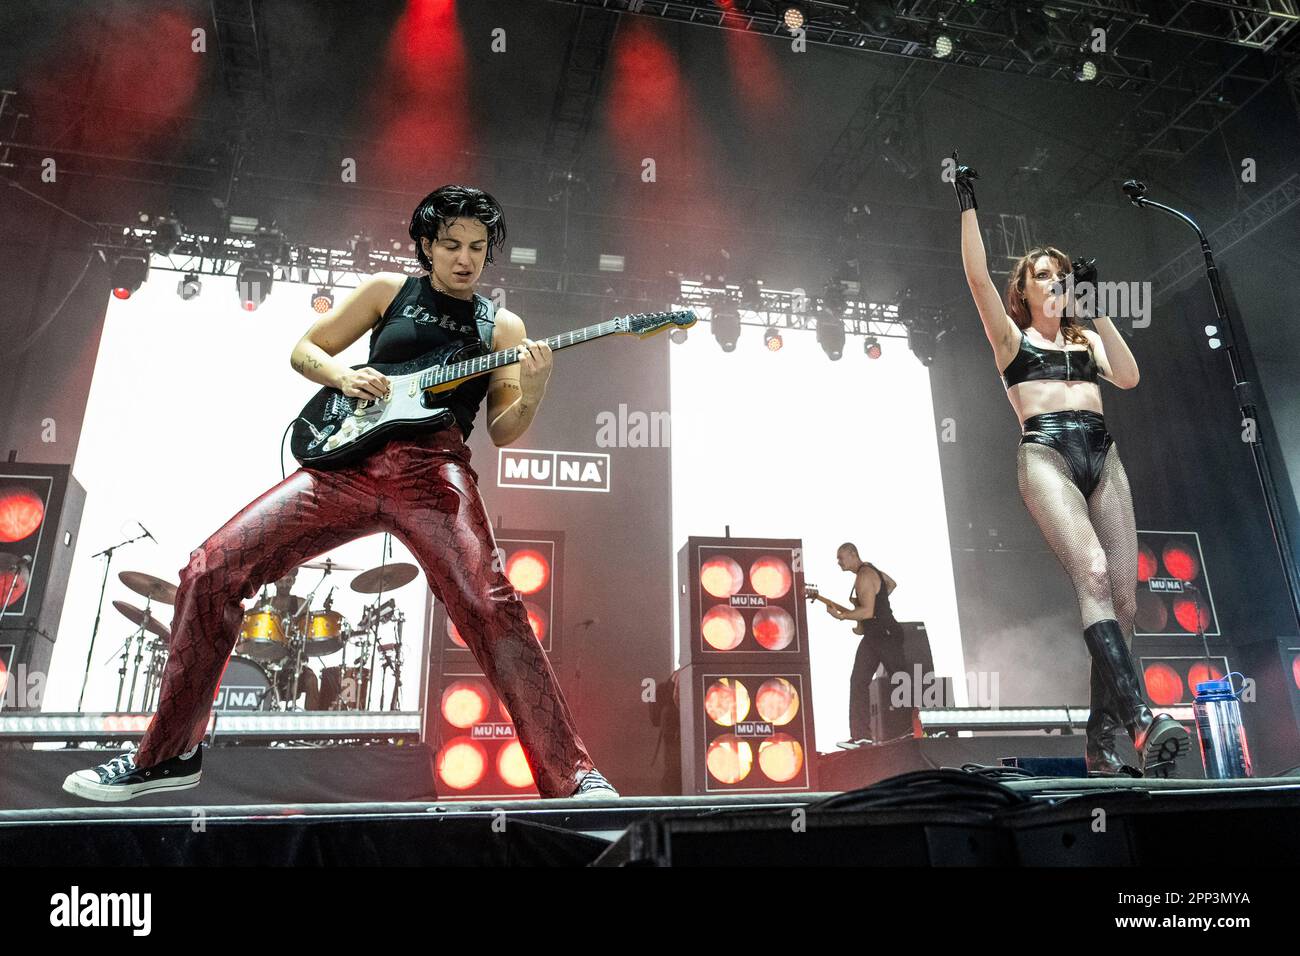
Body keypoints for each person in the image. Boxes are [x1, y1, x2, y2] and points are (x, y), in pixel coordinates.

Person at [63, 185, 618, 801]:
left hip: (432, 474)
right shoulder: (388, 291)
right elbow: (306, 350)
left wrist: (534, 390)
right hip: (346, 466)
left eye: (479, 248)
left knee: (492, 606)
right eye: (453, 245)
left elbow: (503, 430)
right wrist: (345, 375)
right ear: (427, 246)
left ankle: (571, 777)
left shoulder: (501, 326)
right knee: (210, 569)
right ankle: (168, 755)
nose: (466, 259)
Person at [952, 150, 1189, 776]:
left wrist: (1099, 307)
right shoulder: (1012, 339)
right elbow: (977, 279)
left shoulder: (1085, 341)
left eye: (1062, 278)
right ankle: (1140, 720)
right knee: (1090, 568)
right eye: (1044, 278)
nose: (1055, 286)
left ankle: (1098, 738)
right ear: (1024, 291)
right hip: (1046, 455)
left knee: (1126, 601)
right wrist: (968, 203)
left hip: (1102, 455)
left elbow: (1132, 377)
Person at [827, 543, 913, 748]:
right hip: (874, 635)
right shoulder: (870, 571)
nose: (838, 562)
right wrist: (878, 601)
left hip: (885, 634)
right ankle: (861, 736)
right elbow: (891, 584)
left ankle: (916, 726)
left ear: (852, 554)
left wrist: (842, 616)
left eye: (841, 557)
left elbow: (866, 612)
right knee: (858, 680)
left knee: (899, 678)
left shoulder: (864, 575)